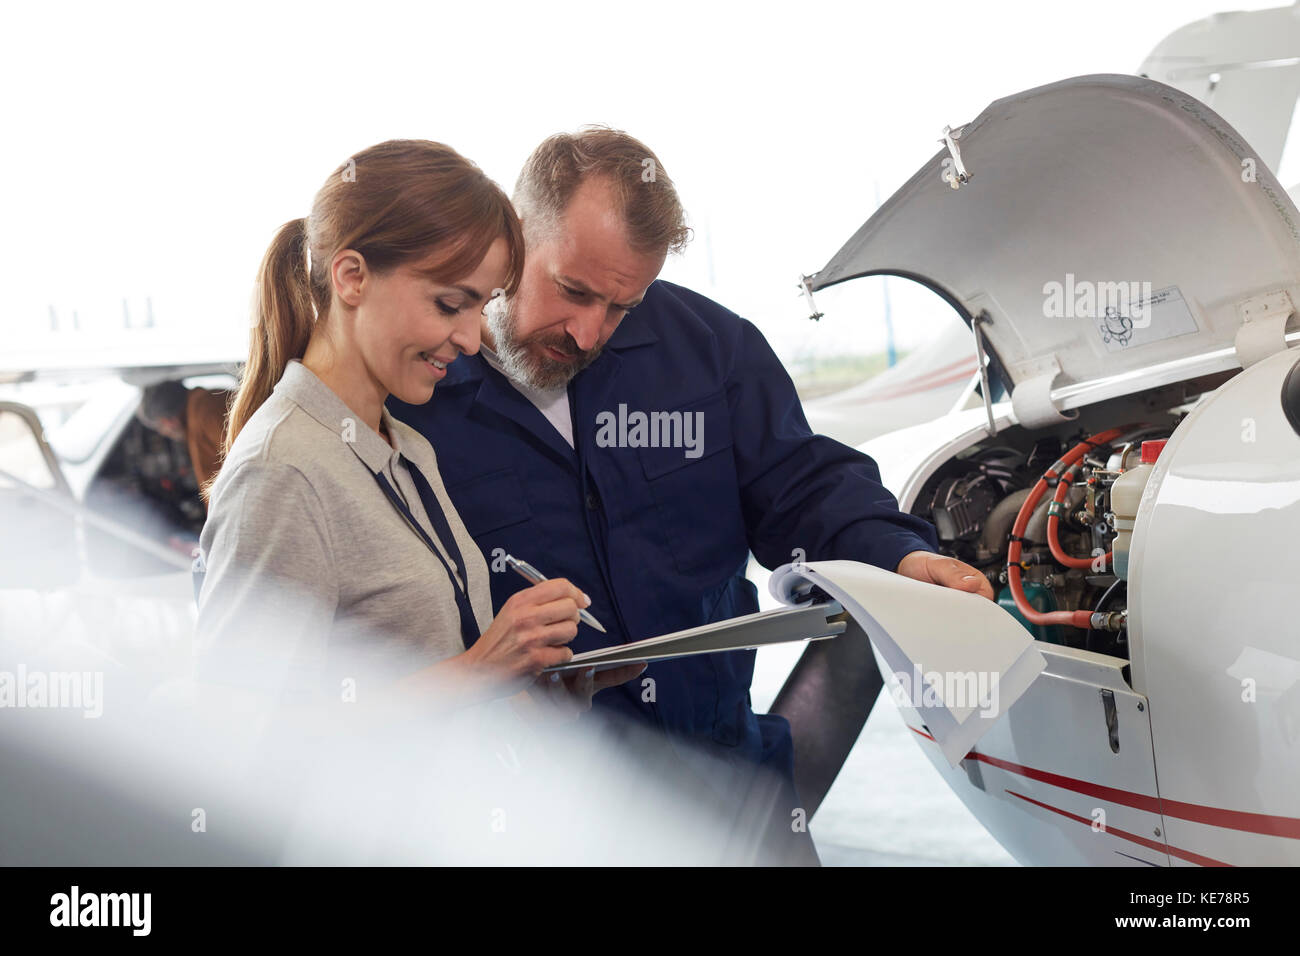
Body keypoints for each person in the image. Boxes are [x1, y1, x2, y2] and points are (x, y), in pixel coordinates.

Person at [388, 127, 996, 864]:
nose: (588, 334)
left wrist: (899, 556)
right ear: (514, 238)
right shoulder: (414, 395)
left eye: (622, 307)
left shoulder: (711, 351)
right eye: (574, 291)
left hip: (734, 786)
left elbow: (804, 488)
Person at [196, 139, 640, 723]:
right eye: (450, 304)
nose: (469, 338)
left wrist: (533, 685)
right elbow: (240, 734)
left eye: (480, 308)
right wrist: (480, 669)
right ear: (352, 278)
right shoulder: (283, 469)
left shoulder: (406, 447)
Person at [136, 380, 230, 490]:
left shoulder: (205, 413)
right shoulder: (204, 404)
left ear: (168, 422)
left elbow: (244, 463)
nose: (164, 433)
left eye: (160, 428)